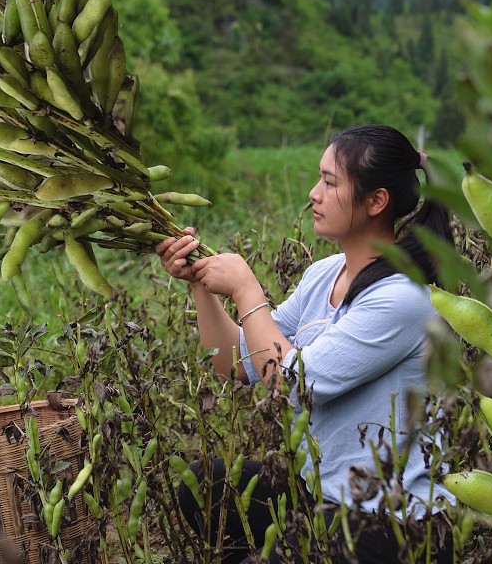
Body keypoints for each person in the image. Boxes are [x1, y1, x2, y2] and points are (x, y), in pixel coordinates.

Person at [155, 124, 455, 564]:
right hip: (325, 497)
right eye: (319, 178)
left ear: (376, 201)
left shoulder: (402, 298)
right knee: (206, 485)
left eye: (330, 183)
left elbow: (296, 384)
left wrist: (246, 291)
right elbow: (239, 363)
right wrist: (200, 281)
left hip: (394, 524)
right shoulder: (325, 273)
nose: (314, 193)